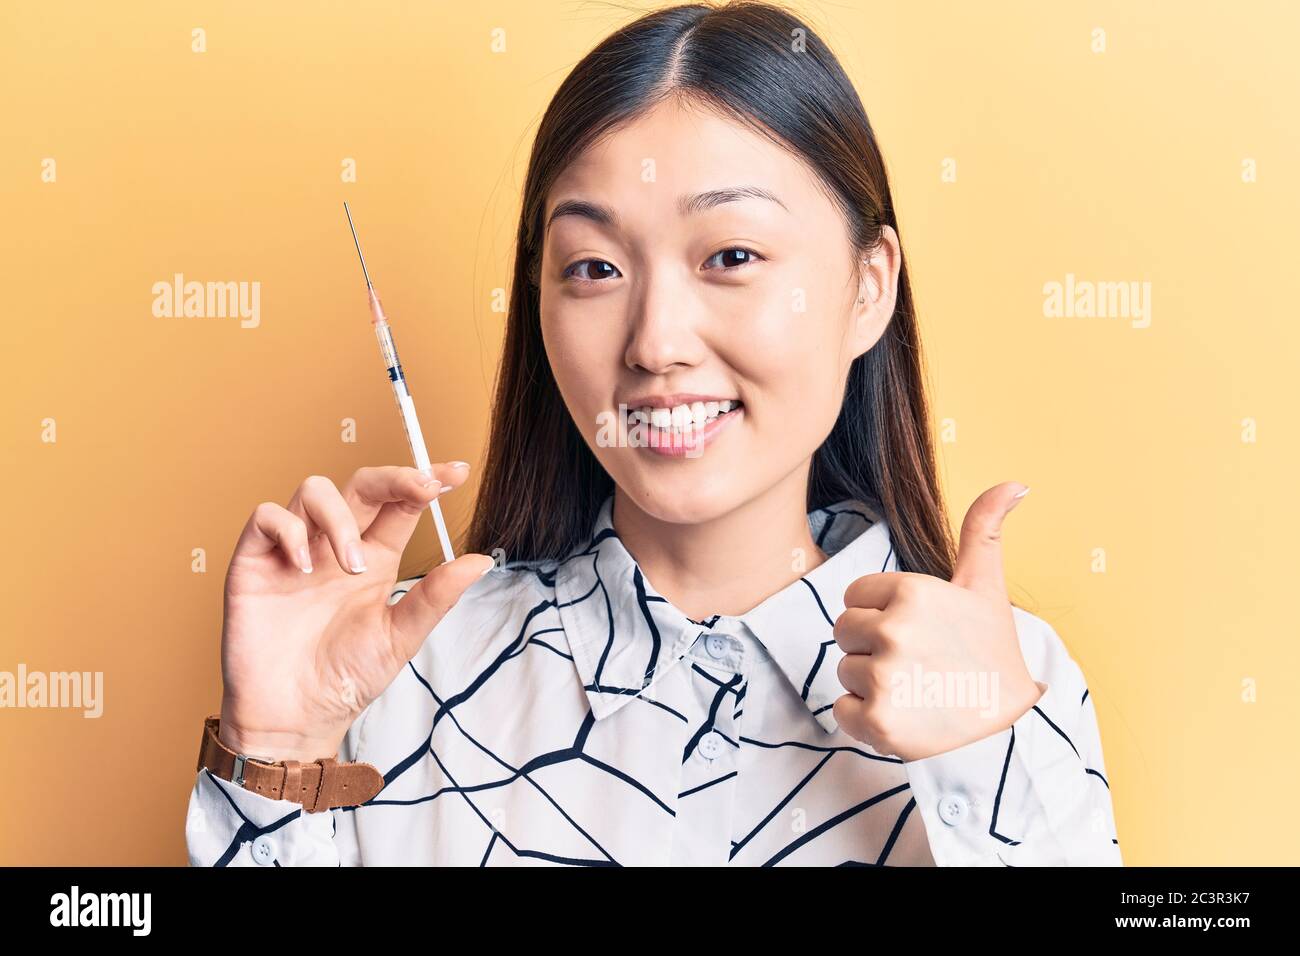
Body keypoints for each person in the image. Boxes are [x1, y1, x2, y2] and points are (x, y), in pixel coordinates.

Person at [186, 0, 1122, 866]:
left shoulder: (1010, 678)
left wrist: (990, 747)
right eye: (593, 267)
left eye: (732, 257)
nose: (655, 343)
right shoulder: (403, 668)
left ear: (869, 285)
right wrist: (273, 749)